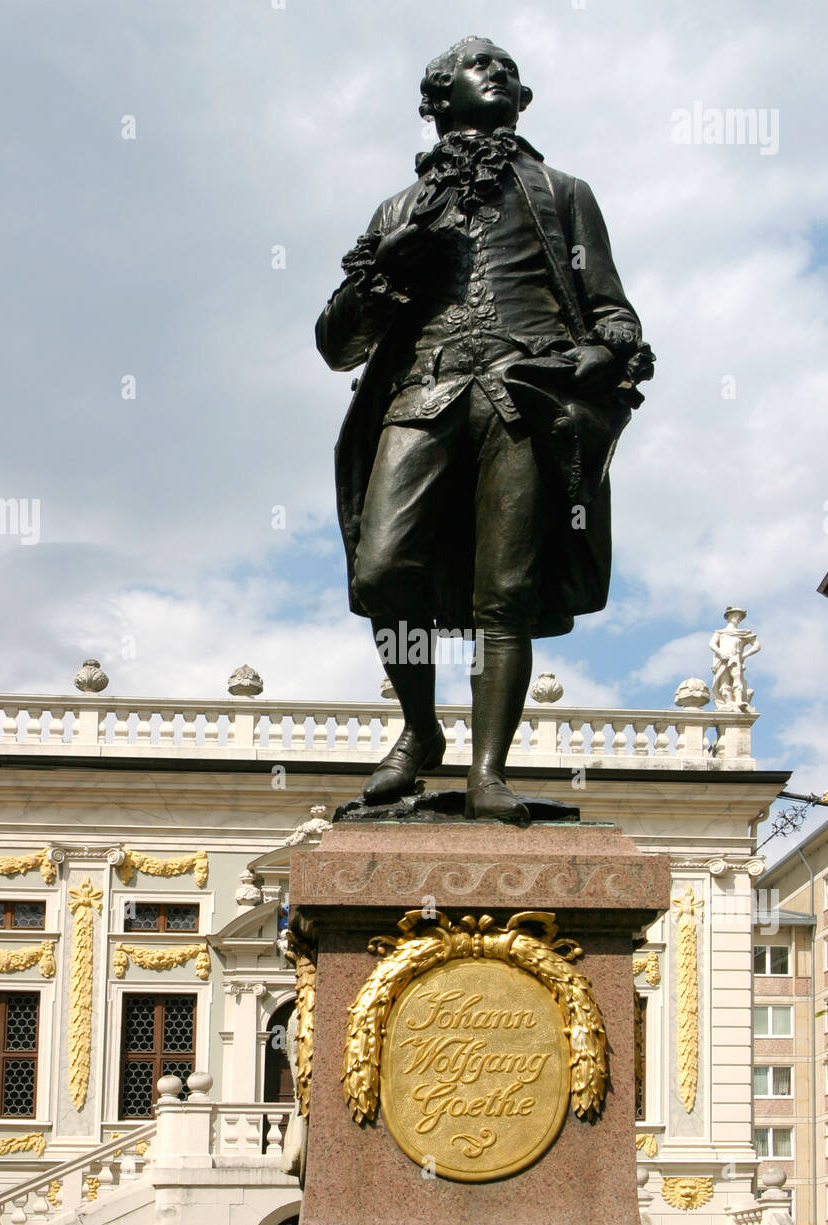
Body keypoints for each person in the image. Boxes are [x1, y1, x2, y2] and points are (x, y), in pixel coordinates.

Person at [316, 36, 654, 823]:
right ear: (437, 97)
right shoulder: (398, 209)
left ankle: (488, 771)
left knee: (506, 594)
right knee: (381, 568)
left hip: (522, 400)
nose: (498, 72)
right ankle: (420, 729)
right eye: (478, 65)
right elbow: (338, 347)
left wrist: (597, 360)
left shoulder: (563, 193)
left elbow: (612, 312)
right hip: (421, 394)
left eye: (507, 68)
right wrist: (387, 270)